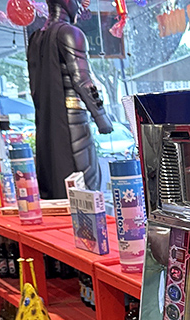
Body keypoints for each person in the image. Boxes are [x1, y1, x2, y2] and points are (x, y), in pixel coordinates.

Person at [27, 0, 113, 198]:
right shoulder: (70, 33)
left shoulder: (35, 38)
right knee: (86, 188)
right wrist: (102, 118)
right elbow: (83, 81)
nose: (82, 5)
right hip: (73, 123)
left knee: (55, 186)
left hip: (46, 125)